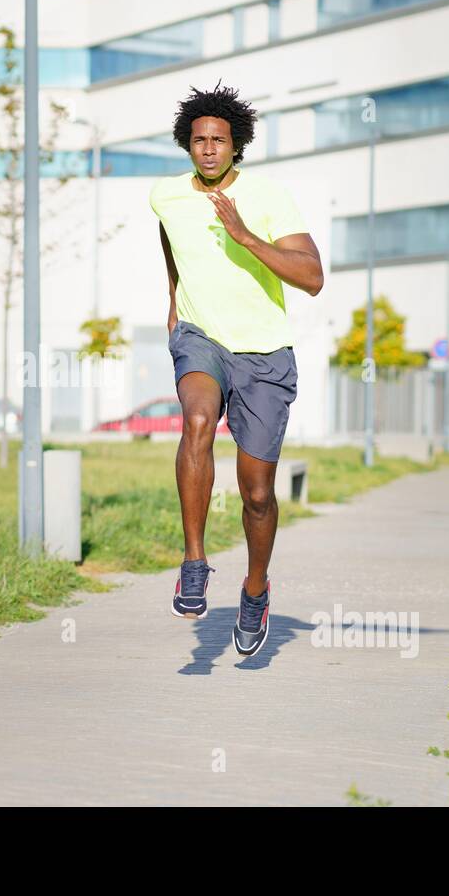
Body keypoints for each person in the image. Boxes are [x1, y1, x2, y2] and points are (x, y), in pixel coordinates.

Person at [149, 81, 324, 657]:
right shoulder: (166, 197)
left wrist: (244, 236)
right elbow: (173, 244)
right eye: (198, 140)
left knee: (256, 494)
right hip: (202, 339)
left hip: (265, 353)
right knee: (197, 422)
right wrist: (174, 301)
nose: (207, 149)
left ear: (236, 145)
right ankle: (194, 561)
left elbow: (312, 277)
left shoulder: (270, 196)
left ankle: (254, 590)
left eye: (218, 140)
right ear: (187, 144)